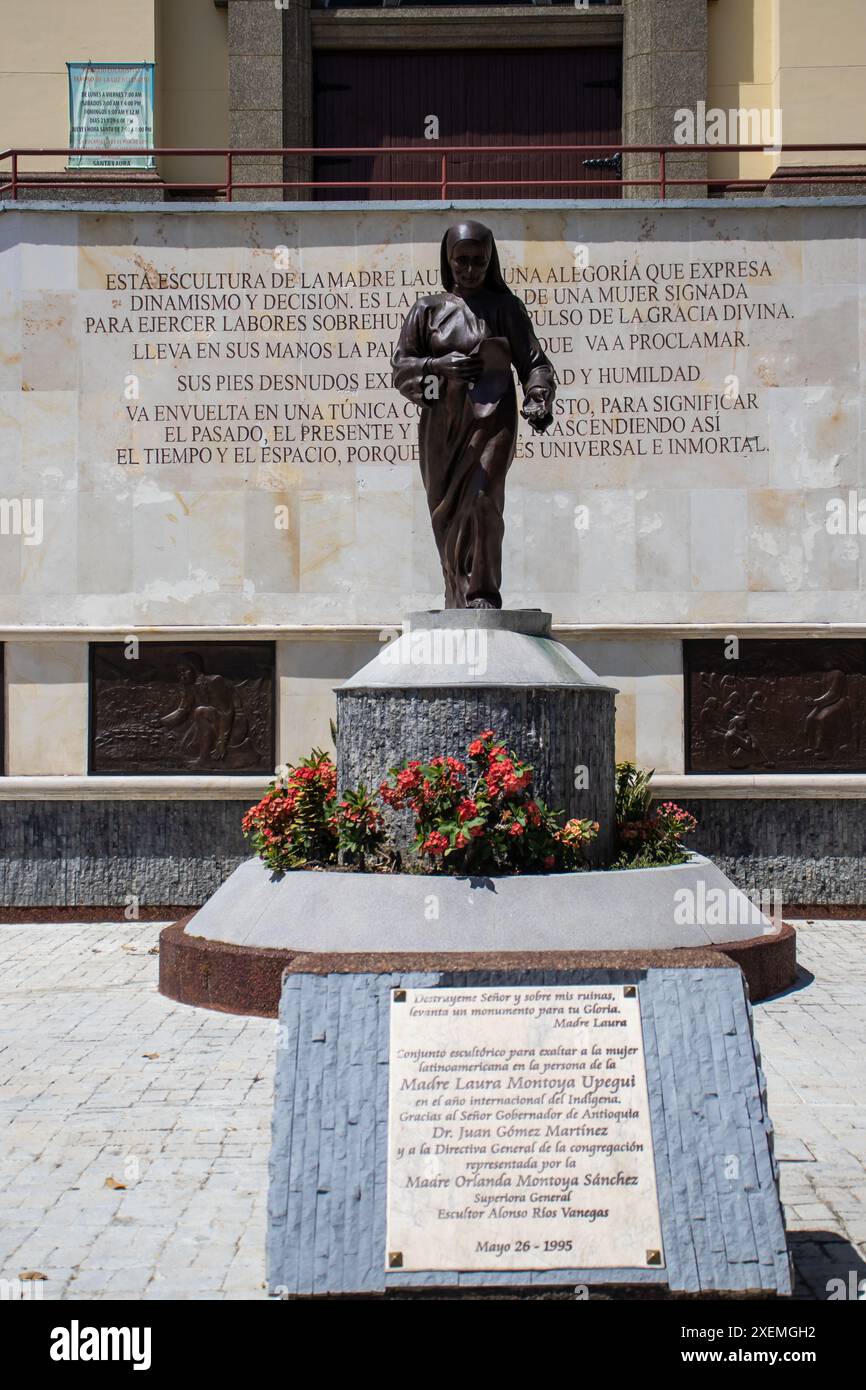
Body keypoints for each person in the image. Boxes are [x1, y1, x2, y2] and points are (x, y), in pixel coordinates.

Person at [392, 220, 556, 609]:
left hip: (494, 420)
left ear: (490, 260)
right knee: (446, 513)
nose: (469, 269)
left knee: (483, 499)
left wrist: (538, 396)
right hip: (443, 426)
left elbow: (535, 363)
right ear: (449, 261)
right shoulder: (427, 311)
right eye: (461, 260)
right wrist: (439, 365)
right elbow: (401, 369)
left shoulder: (505, 308)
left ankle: (483, 593)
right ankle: (457, 593)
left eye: (478, 261)